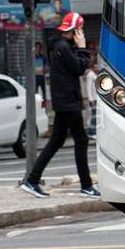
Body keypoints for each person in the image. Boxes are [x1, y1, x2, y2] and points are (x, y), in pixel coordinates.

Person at [20, 13, 97, 198]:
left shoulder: (62, 46)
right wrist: (83, 47)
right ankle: (86, 186)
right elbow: (80, 68)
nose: (82, 32)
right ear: (75, 30)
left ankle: (32, 180)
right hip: (68, 103)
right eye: (81, 29)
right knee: (82, 140)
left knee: (56, 141)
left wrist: (78, 49)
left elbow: (77, 66)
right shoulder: (63, 48)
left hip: (65, 102)